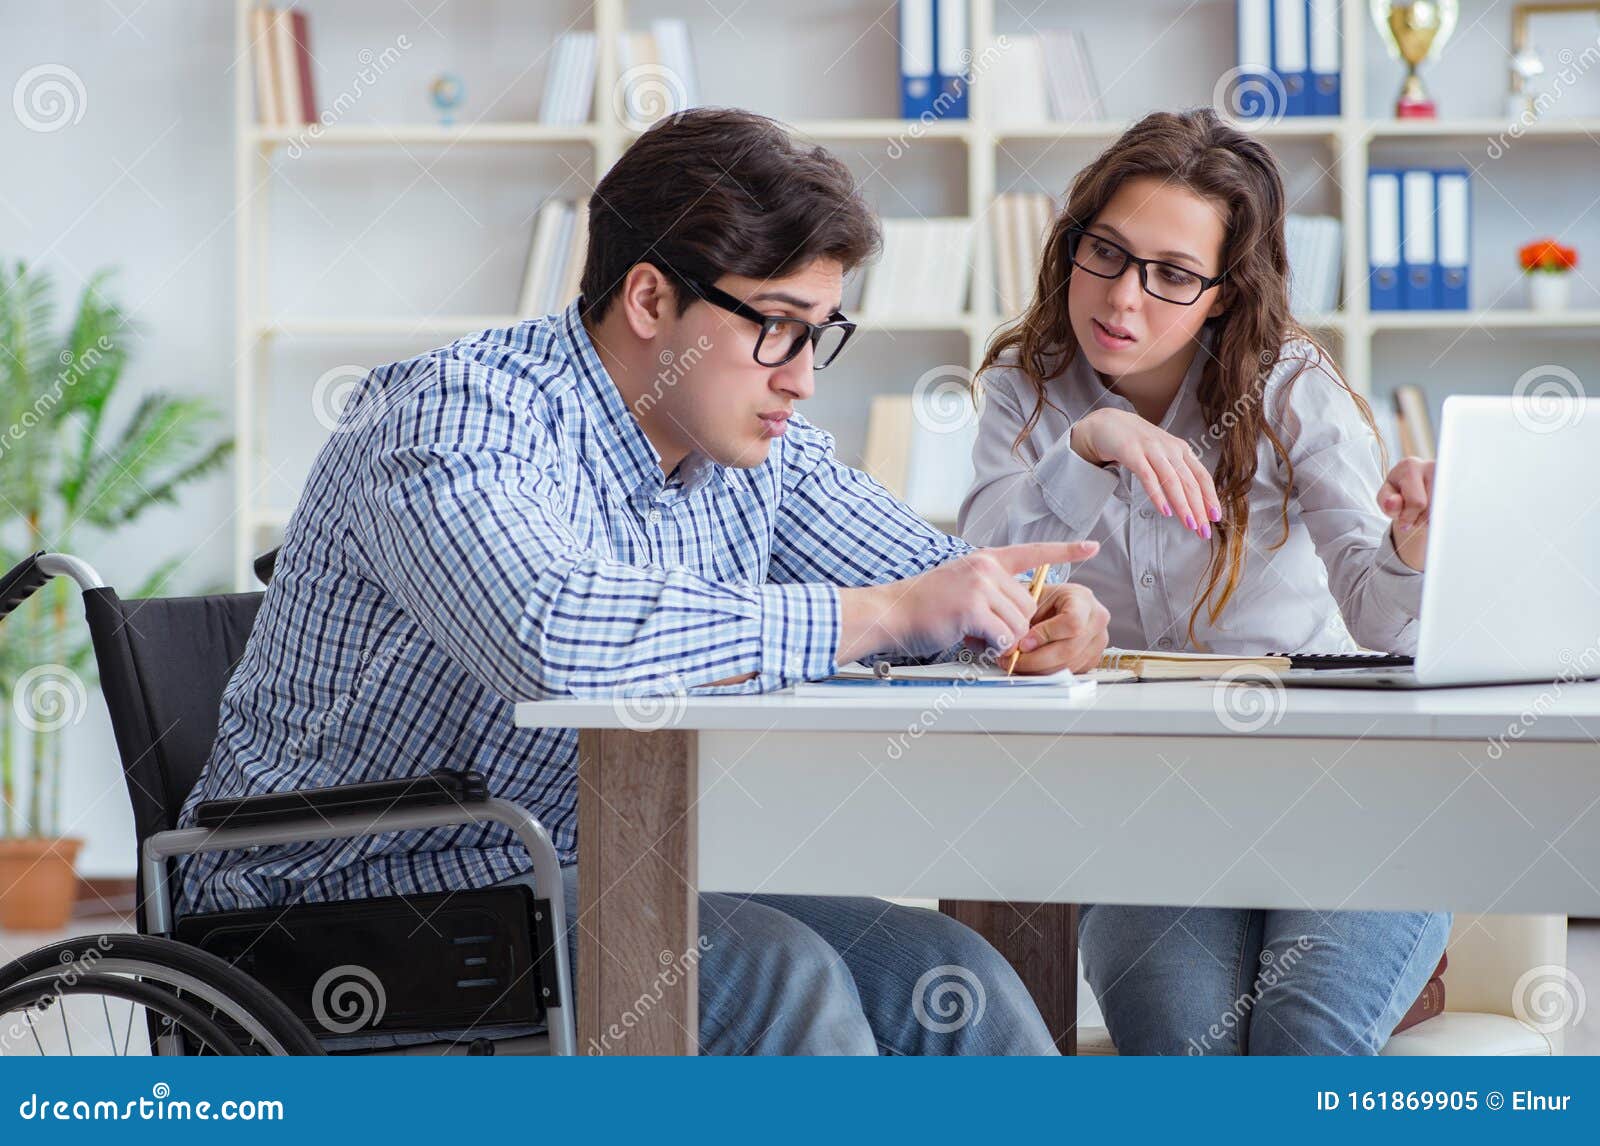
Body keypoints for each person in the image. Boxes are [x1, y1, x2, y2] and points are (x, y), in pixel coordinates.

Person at [176, 107, 1112, 1055]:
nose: (802, 380)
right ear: (652, 300)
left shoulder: (751, 448)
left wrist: (1030, 613)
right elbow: (554, 636)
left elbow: (935, 582)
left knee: (954, 976)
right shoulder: (455, 419)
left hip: (577, 870)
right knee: (781, 978)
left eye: (818, 334)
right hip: (335, 899)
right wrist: (883, 615)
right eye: (778, 329)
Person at [958, 107, 1448, 1054]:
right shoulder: (1028, 383)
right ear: (1074, 244)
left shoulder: (1290, 385)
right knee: (1182, 1049)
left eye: (1173, 275)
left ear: (1224, 293)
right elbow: (987, 576)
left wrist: (1416, 546)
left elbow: (1384, 621)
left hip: (1341, 793)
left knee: (1302, 1040)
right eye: (1105, 252)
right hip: (1151, 807)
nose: (1122, 299)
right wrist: (1089, 446)